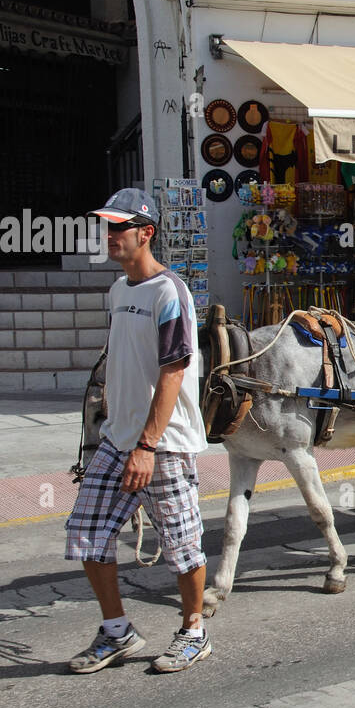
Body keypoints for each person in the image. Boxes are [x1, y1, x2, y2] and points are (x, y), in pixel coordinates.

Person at [64, 188, 212, 673]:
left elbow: (173, 371)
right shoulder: (118, 290)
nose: (109, 236)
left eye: (118, 228)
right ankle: (117, 631)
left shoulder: (168, 292)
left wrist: (147, 444)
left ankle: (194, 631)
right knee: (87, 535)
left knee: (181, 544)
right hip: (118, 439)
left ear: (145, 233)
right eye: (105, 227)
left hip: (161, 444)